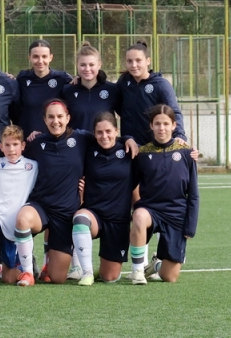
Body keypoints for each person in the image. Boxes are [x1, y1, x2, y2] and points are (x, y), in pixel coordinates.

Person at [10, 100, 90, 285]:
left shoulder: (82, 139)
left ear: (68, 118)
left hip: (65, 214)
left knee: (57, 278)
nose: (56, 121)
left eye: (60, 116)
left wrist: (128, 140)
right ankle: (28, 272)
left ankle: (47, 265)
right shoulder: (36, 143)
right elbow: (12, 153)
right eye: (51, 117)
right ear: (44, 120)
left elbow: (107, 144)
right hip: (41, 206)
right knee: (23, 218)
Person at [130, 104, 199, 285]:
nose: (162, 128)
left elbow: (193, 193)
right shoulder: (143, 153)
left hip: (176, 213)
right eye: (157, 124)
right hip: (151, 209)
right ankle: (137, 271)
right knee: (138, 216)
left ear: (174, 126)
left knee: (170, 277)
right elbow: (130, 184)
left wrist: (190, 226)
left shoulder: (186, 153)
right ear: (151, 126)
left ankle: (155, 266)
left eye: (166, 124)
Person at [72, 112, 132, 286]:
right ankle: (87, 273)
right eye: (99, 132)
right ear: (94, 133)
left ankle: (102, 271)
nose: (104, 136)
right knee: (80, 218)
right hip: (95, 215)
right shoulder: (88, 151)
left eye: (108, 131)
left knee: (110, 277)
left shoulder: (128, 151)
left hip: (118, 220)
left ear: (116, 131)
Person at [0, 125, 38, 286]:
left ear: (23, 146)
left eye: (15, 145)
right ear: (1, 147)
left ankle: (28, 264)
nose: (11, 149)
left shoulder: (32, 166)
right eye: (7, 145)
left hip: (16, 221)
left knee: (9, 278)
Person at [117, 41, 185, 145]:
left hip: (154, 148)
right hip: (130, 147)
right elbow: (118, 107)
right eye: (129, 61)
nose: (133, 65)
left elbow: (174, 112)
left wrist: (179, 135)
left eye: (138, 60)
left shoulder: (161, 84)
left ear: (148, 61)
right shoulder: (123, 82)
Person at [15, 40, 75, 137]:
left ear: (51, 57)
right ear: (29, 57)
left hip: (53, 139)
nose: (40, 61)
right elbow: (15, 108)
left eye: (44, 56)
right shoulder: (22, 78)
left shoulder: (62, 79)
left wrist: (78, 78)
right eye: (35, 57)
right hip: (28, 139)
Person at [59, 42, 119, 134]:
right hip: (76, 146)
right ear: (76, 65)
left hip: (102, 145)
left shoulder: (112, 90)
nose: (87, 69)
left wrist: (127, 138)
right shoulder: (67, 90)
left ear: (99, 65)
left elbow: (128, 116)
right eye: (82, 65)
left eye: (91, 65)